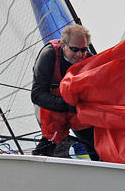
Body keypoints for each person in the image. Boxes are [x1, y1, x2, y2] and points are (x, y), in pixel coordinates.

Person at [31, 24, 99, 160]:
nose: (80, 55)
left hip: (74, 107)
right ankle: (47, 153)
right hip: (50, 106)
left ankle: (99, 160)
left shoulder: (89, 59)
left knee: (94, 139)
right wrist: (67, 105)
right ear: (63, 45)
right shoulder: (48, 55)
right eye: (74, 50)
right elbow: (37, 95)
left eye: (83, 49)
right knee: (53, 134)